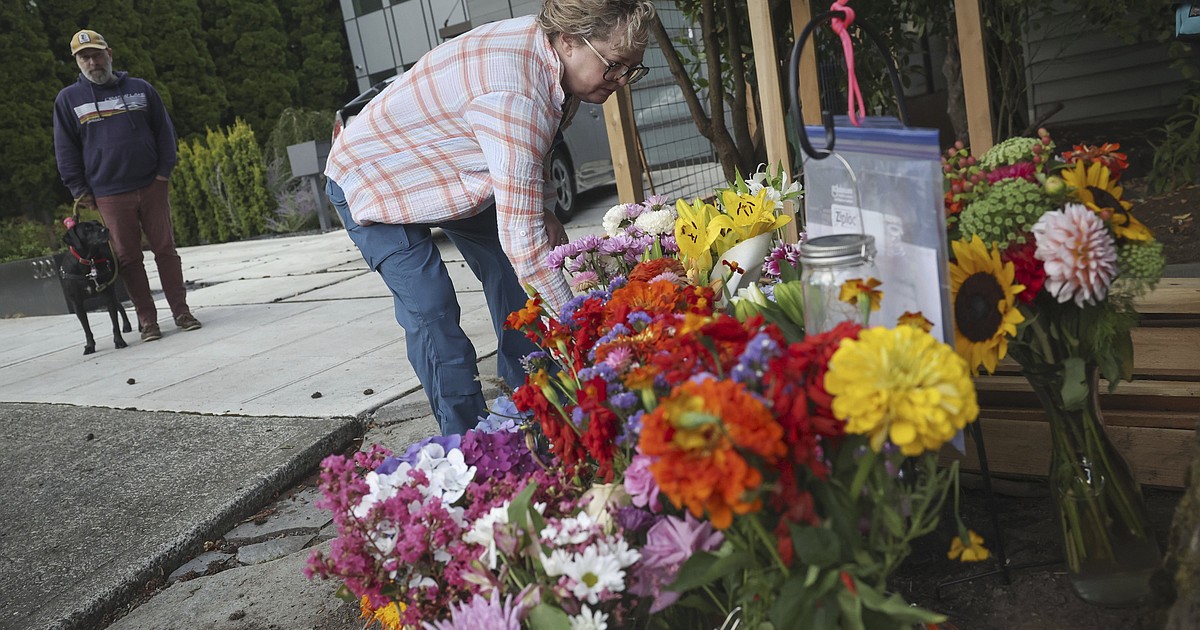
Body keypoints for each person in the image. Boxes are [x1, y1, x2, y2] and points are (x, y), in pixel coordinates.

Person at [325, 0, 656, 435]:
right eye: (614, 66)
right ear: (569, 41)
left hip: (449, 167)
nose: (621, 80)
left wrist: (544, 207)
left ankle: (537, 410)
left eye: (631, 68)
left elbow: (535, 148)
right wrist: (587, 337)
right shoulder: (515, 95)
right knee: (433, 308)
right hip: (371, 174)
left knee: (514, 283)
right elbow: (527, 248)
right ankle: (468, 444)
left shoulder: (551, 58)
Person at [53, 29, 201, 343]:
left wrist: (163, 173)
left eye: (96, 55)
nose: (92, 62)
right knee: (128, 258)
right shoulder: (68, 100)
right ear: (77, 62)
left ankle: (182, 312)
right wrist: (79, 189)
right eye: (84, 57)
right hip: (108, 192)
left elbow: (164, 132)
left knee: (165, 250)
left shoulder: (140, 88)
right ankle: (147, 321)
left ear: (109, 54)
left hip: (151, 184)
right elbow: (65, 148)